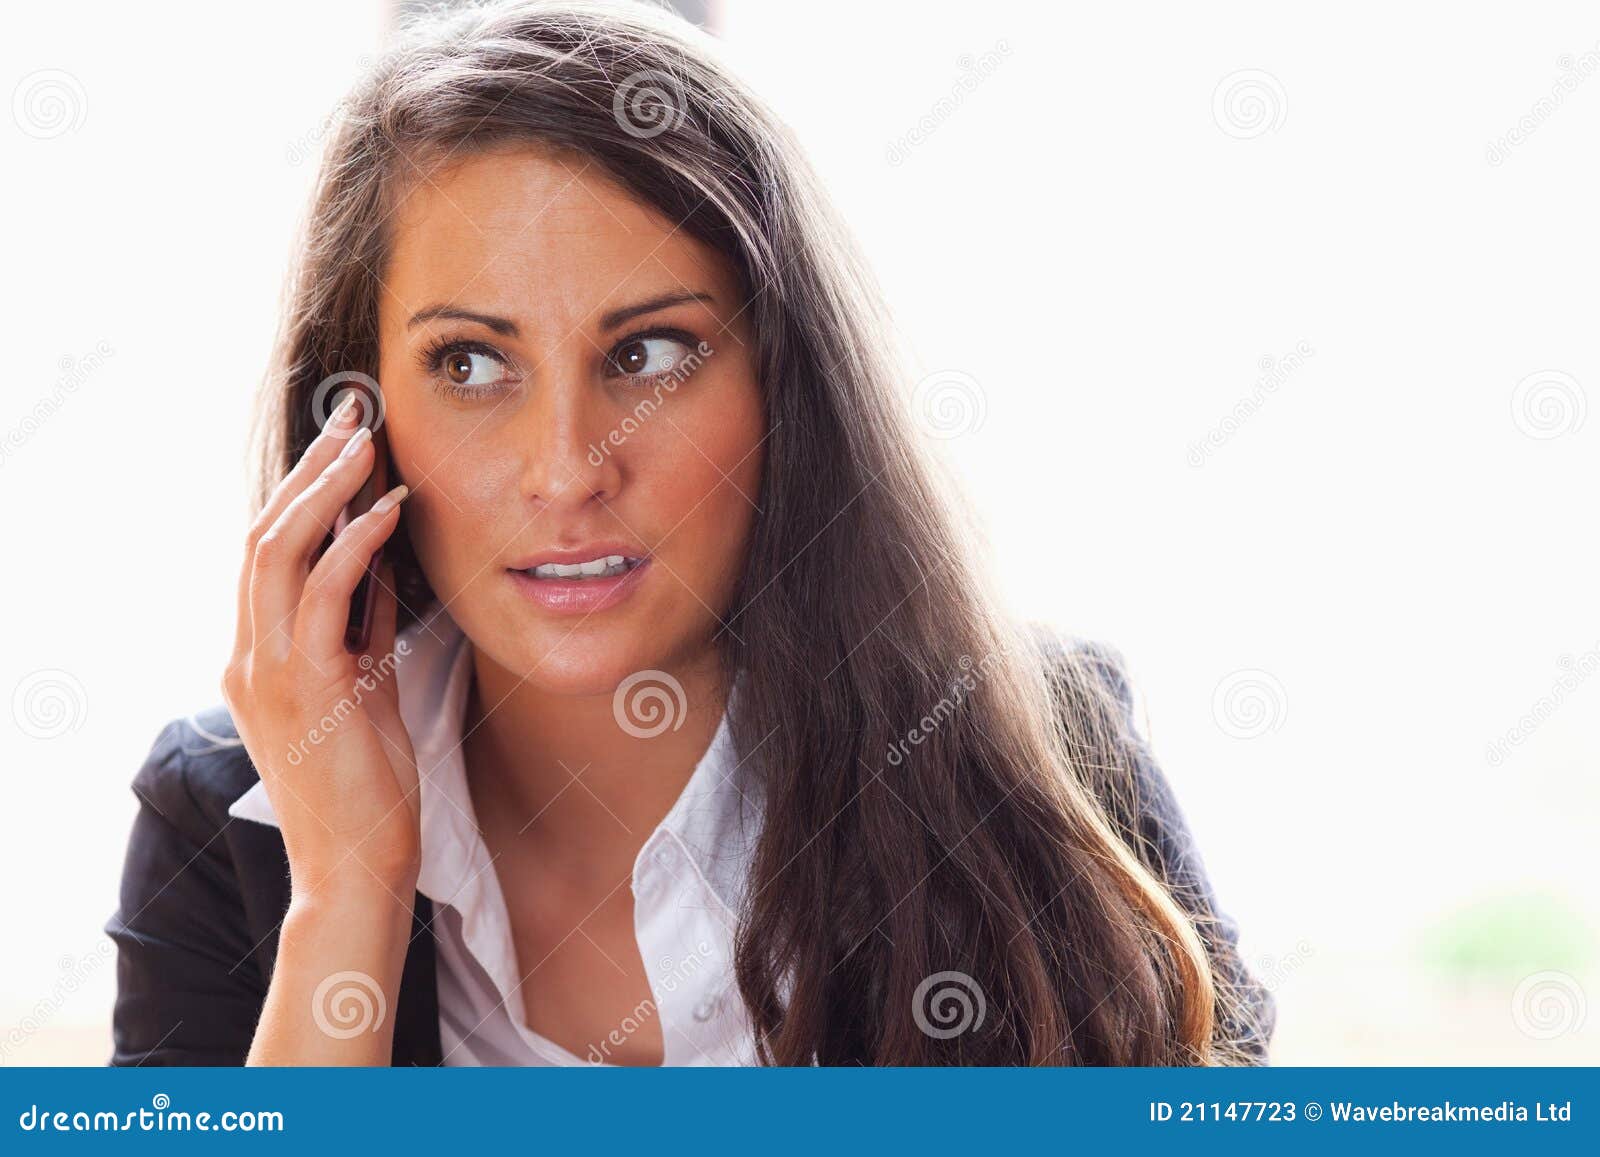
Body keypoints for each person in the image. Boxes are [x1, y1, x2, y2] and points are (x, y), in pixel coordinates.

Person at [107, 0, 1274, 1066]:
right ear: (357, 422)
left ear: (786, 385)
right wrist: (348, 893)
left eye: (649, 353)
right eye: (469, 363)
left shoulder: (1040, 756)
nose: (567, 469)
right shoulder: (223, 822)